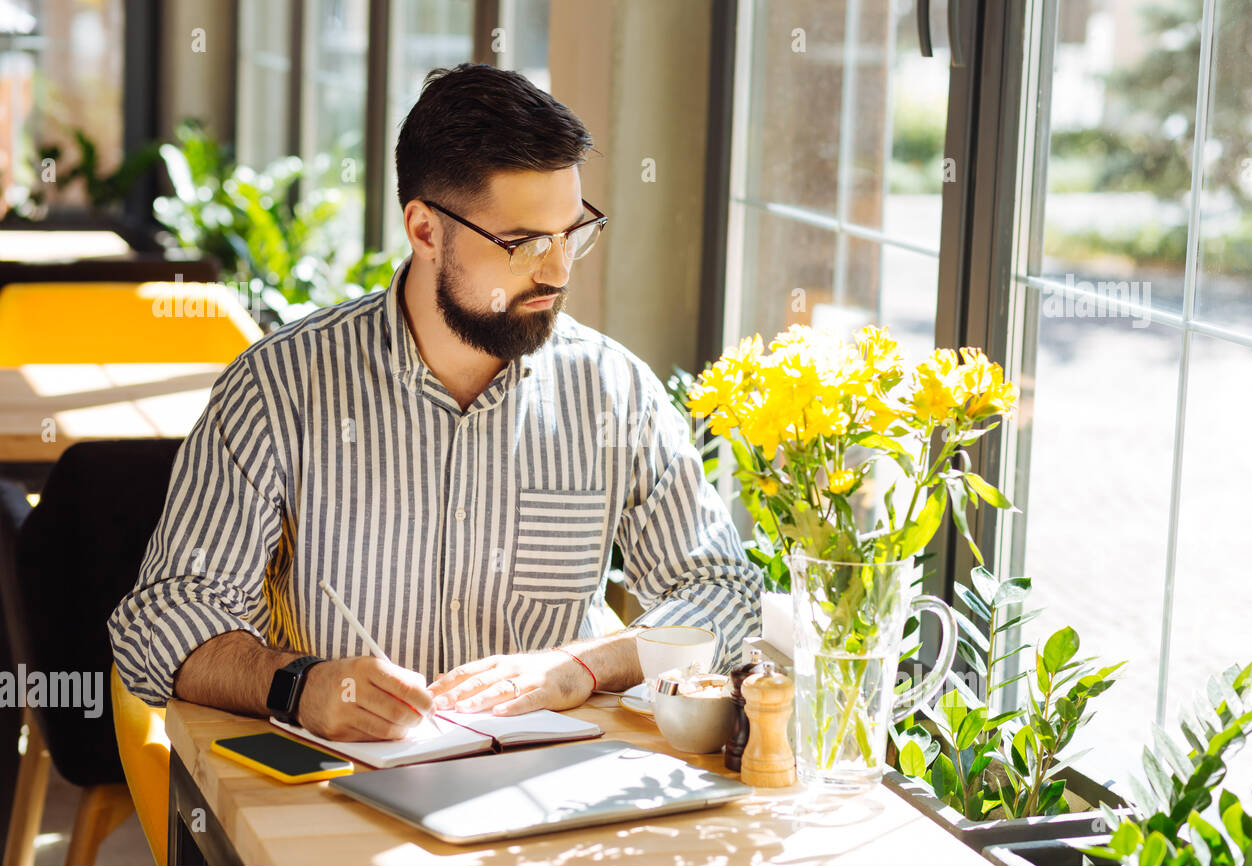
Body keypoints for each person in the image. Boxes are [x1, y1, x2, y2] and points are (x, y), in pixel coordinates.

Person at [107, 63, 761, 742]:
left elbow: (725, 592)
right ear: (424, 230)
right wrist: (299, 685)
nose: (559, 272)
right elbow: (164, 620)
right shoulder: (279, 388)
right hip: (338, 796)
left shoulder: (613, 393)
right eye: (524, 243)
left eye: (571, 233)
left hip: (553, 796)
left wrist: (581, 666)